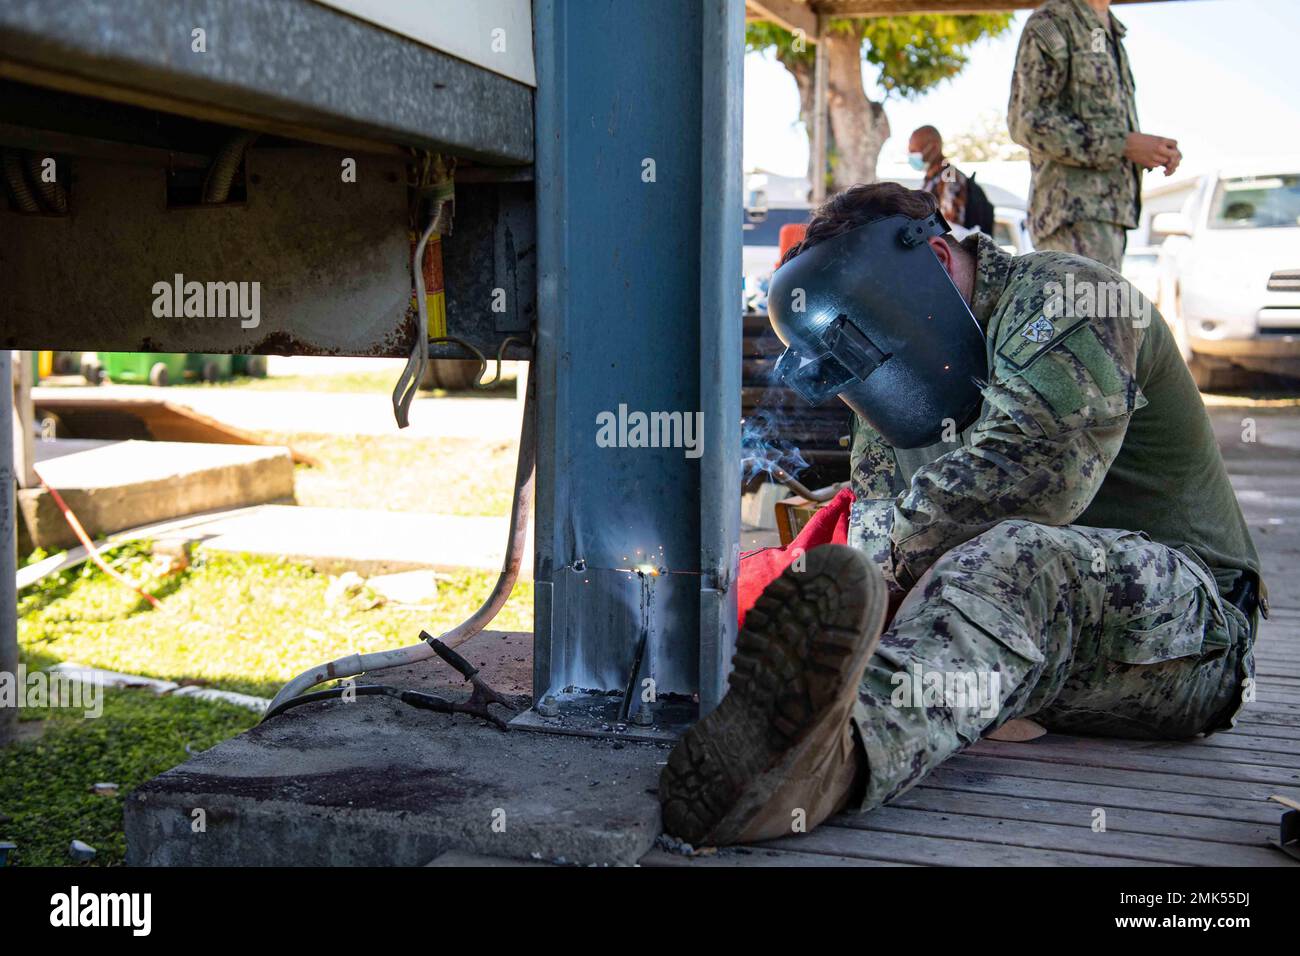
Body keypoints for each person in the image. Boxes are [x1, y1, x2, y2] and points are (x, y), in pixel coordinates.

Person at [659, 183, 1262, 846]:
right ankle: (789, 720)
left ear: (940, 259)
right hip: (1019, 645)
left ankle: (829, 761)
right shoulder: (890, 388)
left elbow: (1030, 476)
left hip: (1185, 642)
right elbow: (878, 536)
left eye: (873, 347)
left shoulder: (1068, 298)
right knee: (845, 587)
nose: (872, 376)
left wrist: (864, 573)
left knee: (1013, 555)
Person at [1008, 0, 1181, 271]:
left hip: (1110, 215)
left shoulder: (1110, 30)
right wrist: (1122, 145)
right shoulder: (1052, 23)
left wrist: (1148, 151)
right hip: (1071, 217)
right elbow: (1027, 122)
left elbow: (1103, 120)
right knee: (1086, 313)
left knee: (1103, 312)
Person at [908, 125, 971, 229]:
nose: (911, 156)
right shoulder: (931, 178)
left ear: (934, 148)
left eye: (914, 151)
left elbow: (951, 226)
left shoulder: (949, 176)